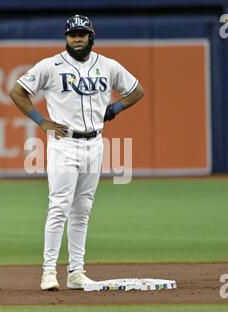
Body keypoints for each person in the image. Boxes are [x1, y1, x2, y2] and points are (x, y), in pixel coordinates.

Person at [9, 14, 144, 290]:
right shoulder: (51, 65)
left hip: (95, 143)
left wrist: (114, 110)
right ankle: (48, 272)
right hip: (64, 143)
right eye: (72, 34)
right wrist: (42, 122)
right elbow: (18, 92)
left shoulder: (107, 65)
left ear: (91, 36)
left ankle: (76, 272)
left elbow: (136, 91)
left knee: (82, 210)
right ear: (66, 38)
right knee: (58, 207)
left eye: (82, 34)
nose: (77, 38)